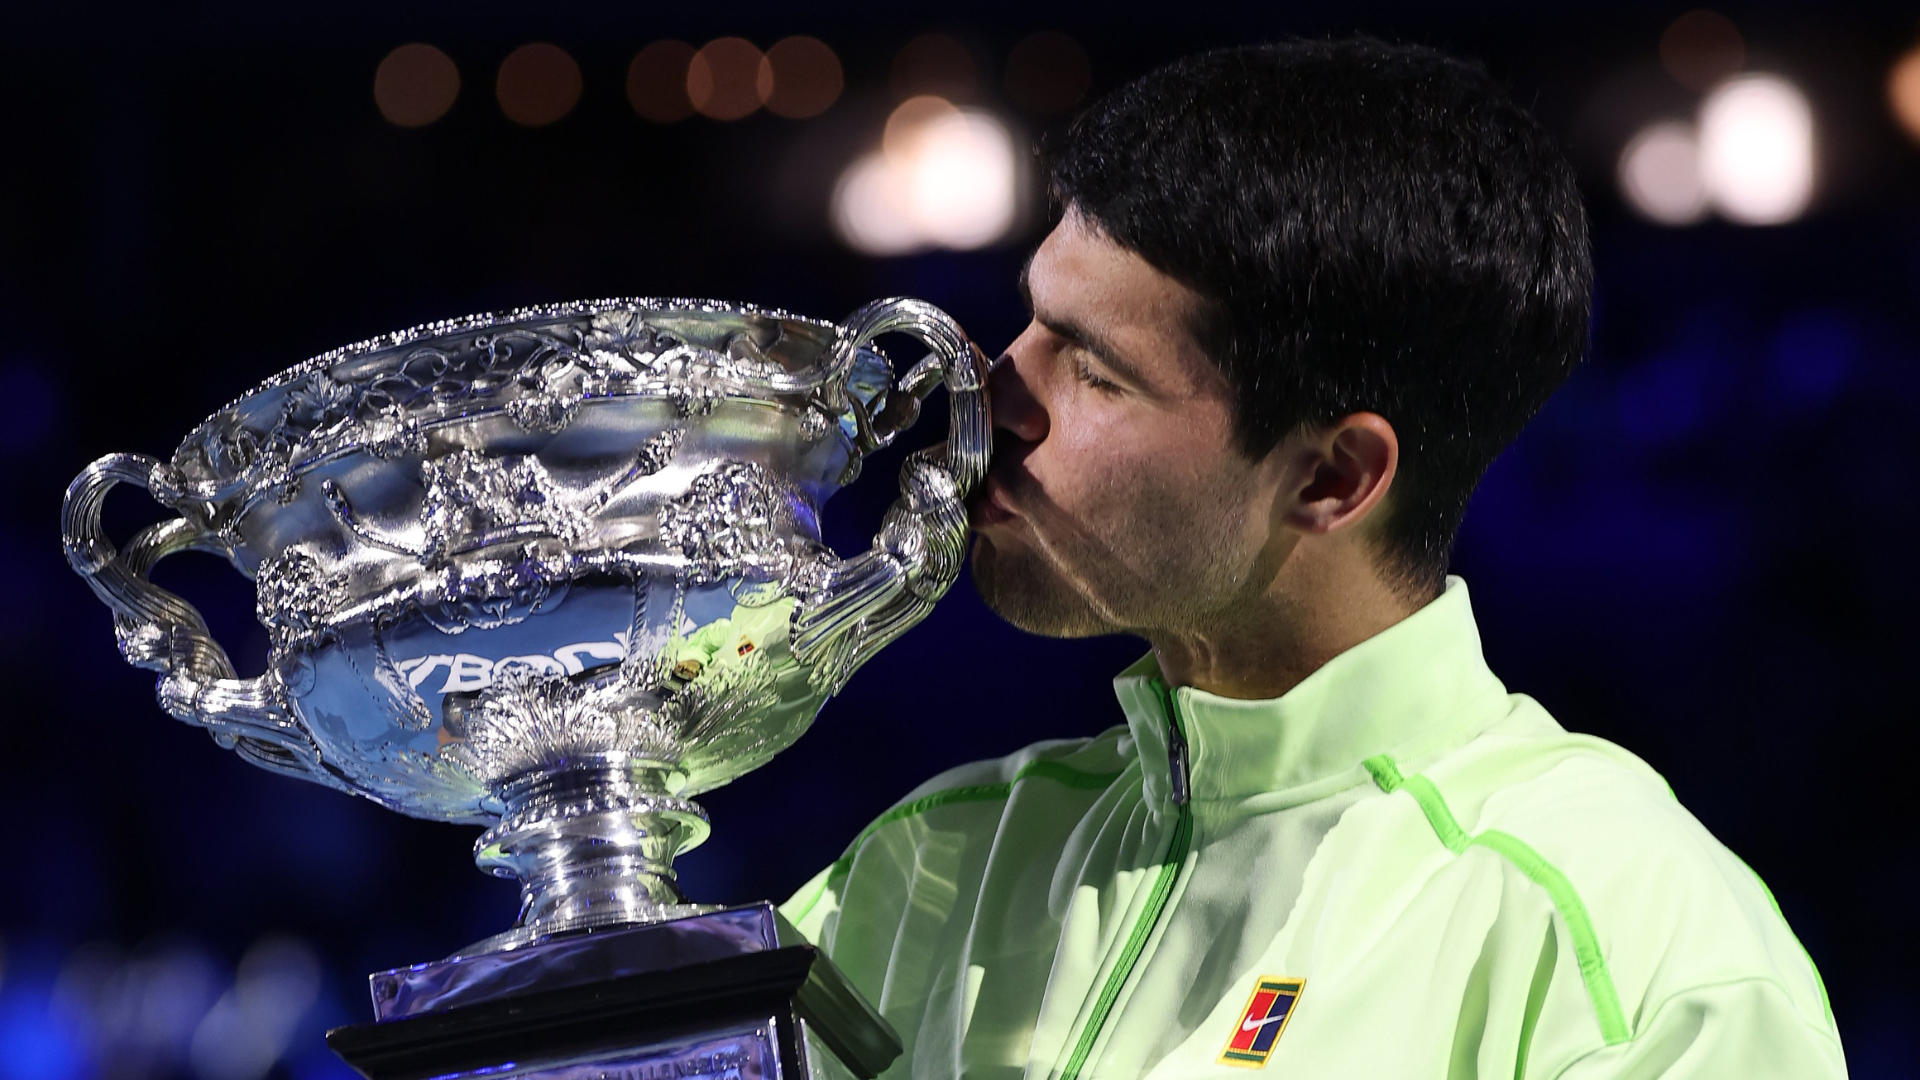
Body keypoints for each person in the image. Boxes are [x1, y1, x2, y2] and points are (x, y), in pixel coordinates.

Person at [781, 38, 1845, 1079]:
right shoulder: (924, 869)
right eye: (1027, 322)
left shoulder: (1626, 945)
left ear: (1334, 478)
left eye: (1095, 372)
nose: (993, 398)